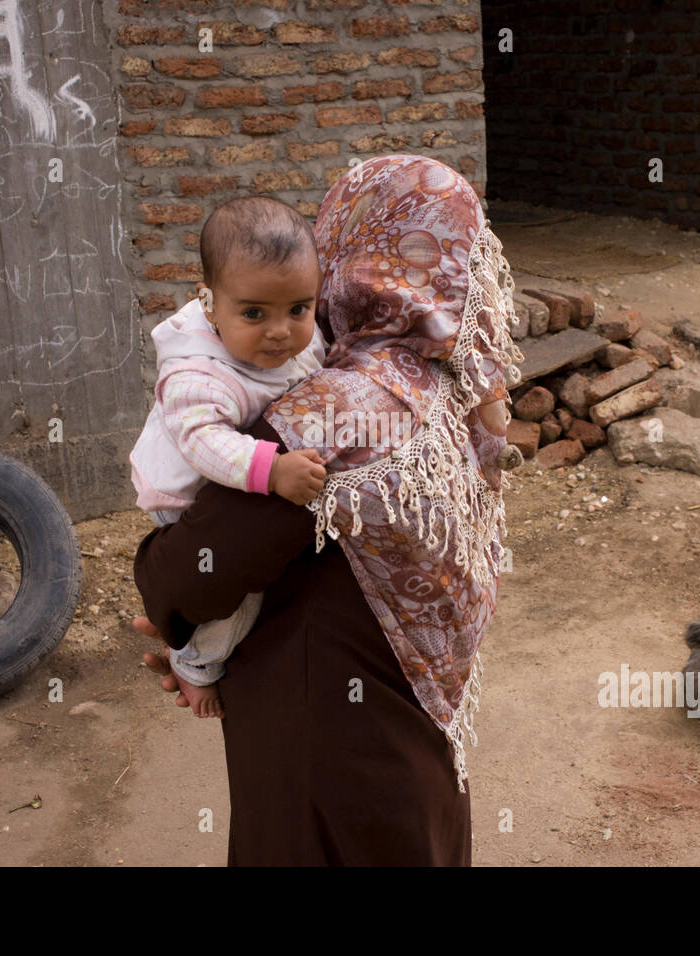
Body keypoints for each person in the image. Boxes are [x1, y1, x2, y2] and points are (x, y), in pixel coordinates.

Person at [132, 154, 523, 865]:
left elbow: (192, 572)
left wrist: (174, 615)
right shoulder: (455, 386)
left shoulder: (337, 408)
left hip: (324, 734)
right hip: (412, 716)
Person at [128, 196, 328, 717]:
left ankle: (172, 614)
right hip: (185, 490)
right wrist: (273, 469)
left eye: (298, 309)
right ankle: (193, 661)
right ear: (210, 304)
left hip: (234, 477)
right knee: (239, 589)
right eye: (254, 313)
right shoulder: (195, 374)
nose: (280, 330)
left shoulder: (291, 340)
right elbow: (204, 444)